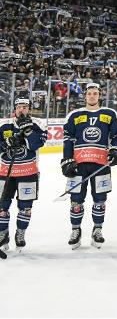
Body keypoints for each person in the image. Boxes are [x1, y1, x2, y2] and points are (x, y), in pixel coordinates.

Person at [61, 82, 117, 249]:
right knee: (76, 200)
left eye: (95, 93)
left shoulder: (110, 114)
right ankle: (76, 230)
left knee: (100, 200)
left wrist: (116, 150)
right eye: (89, 93)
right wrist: (66, 160)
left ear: (99, 95)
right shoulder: (74, 115)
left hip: (101, 164)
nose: (92, 96)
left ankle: (97, 230)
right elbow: (68, 140)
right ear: (85, 96)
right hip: (78, 164)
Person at [0, 96, 46, 251]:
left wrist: (27, 131)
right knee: (2, 206)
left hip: (28, 172)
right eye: (19, 106)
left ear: (29, 109)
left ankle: (20, 233)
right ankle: (2, 234)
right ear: (15, 108)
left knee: (25, 207)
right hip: (6, 173)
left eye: (25, 107)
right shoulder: (4, 126)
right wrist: (6, 144)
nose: (22, 109)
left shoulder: (38, 125)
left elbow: (35, 144)